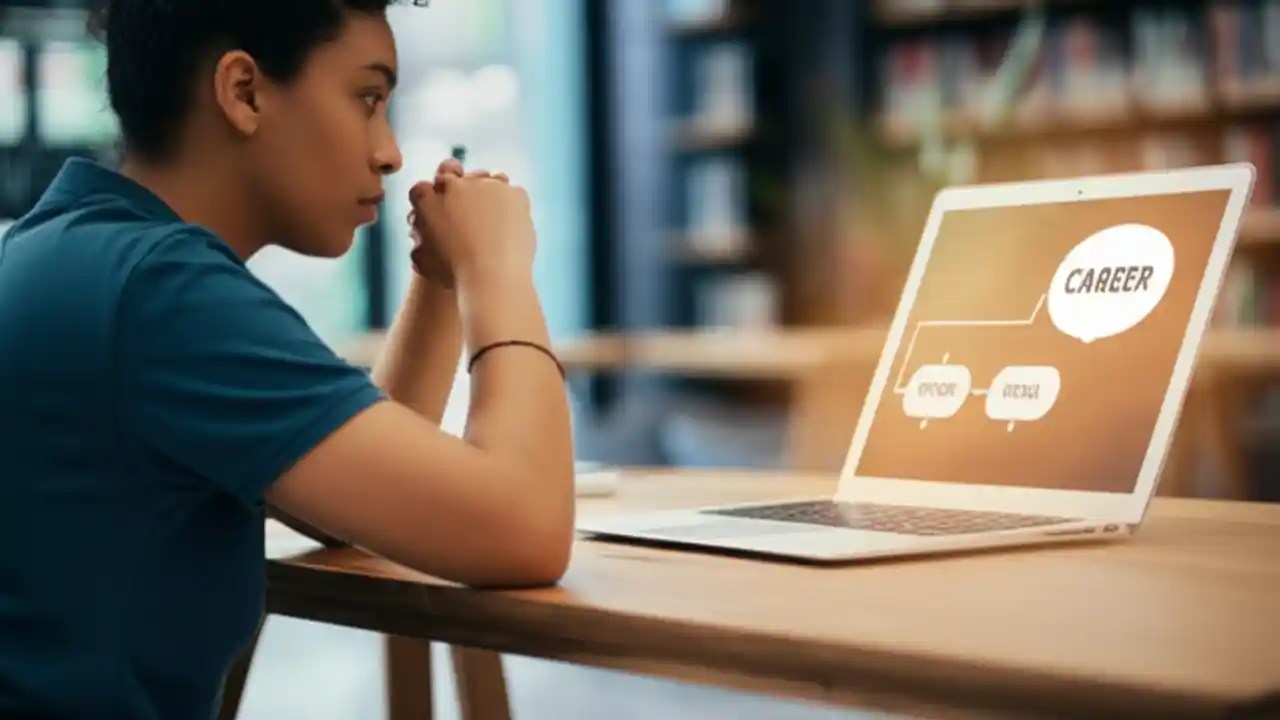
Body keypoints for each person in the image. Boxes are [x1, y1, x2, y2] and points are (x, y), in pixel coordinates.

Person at [0, 1, 575, 718]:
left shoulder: (73, 252)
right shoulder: (163, 292)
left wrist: (438, 280)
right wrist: (499, 272)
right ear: (244, 92)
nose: (390, 151)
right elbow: (524, 530)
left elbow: (359, 506)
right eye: (367, 98)